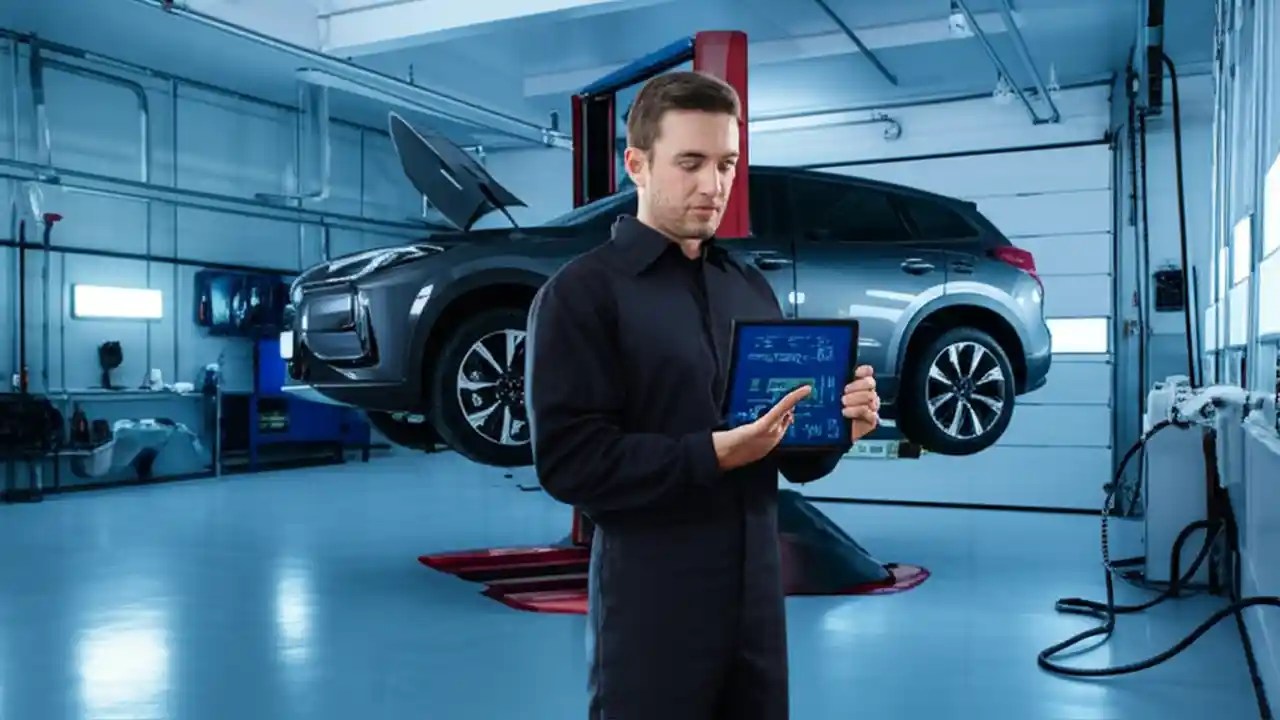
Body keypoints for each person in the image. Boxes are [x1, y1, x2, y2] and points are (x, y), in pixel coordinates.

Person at [525, 70, 881, 720]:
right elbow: (571, 462)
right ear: (636, 164)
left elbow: (785, 451)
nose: (713, 185)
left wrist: (836, 431)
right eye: (690, 163)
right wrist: (715, 454)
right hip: (653, 599)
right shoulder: (582, 295)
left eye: (727, 164)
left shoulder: (749, 289)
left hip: (756, 597)